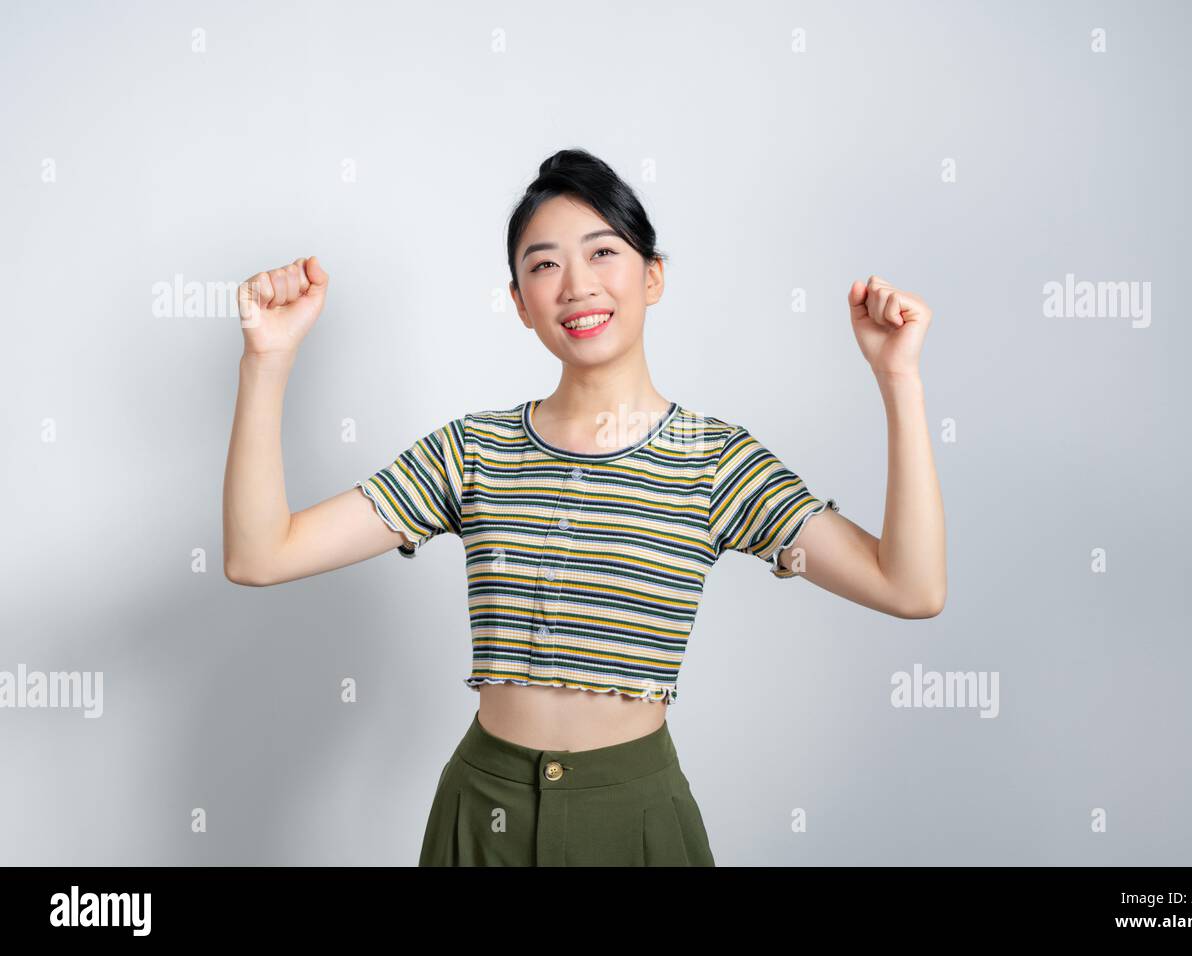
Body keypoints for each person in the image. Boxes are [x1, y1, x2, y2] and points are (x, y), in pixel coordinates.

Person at [222, 148, 946, 866]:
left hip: (634, 822)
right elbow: (260, 555)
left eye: (603, 252)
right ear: (518, 302)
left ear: (652, 276)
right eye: (543, 264)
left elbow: (909, 588)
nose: (576, 285)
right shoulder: (473, 452)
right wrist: (268, 358)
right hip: (482, 817)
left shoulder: (714, 461)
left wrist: (898, 377)